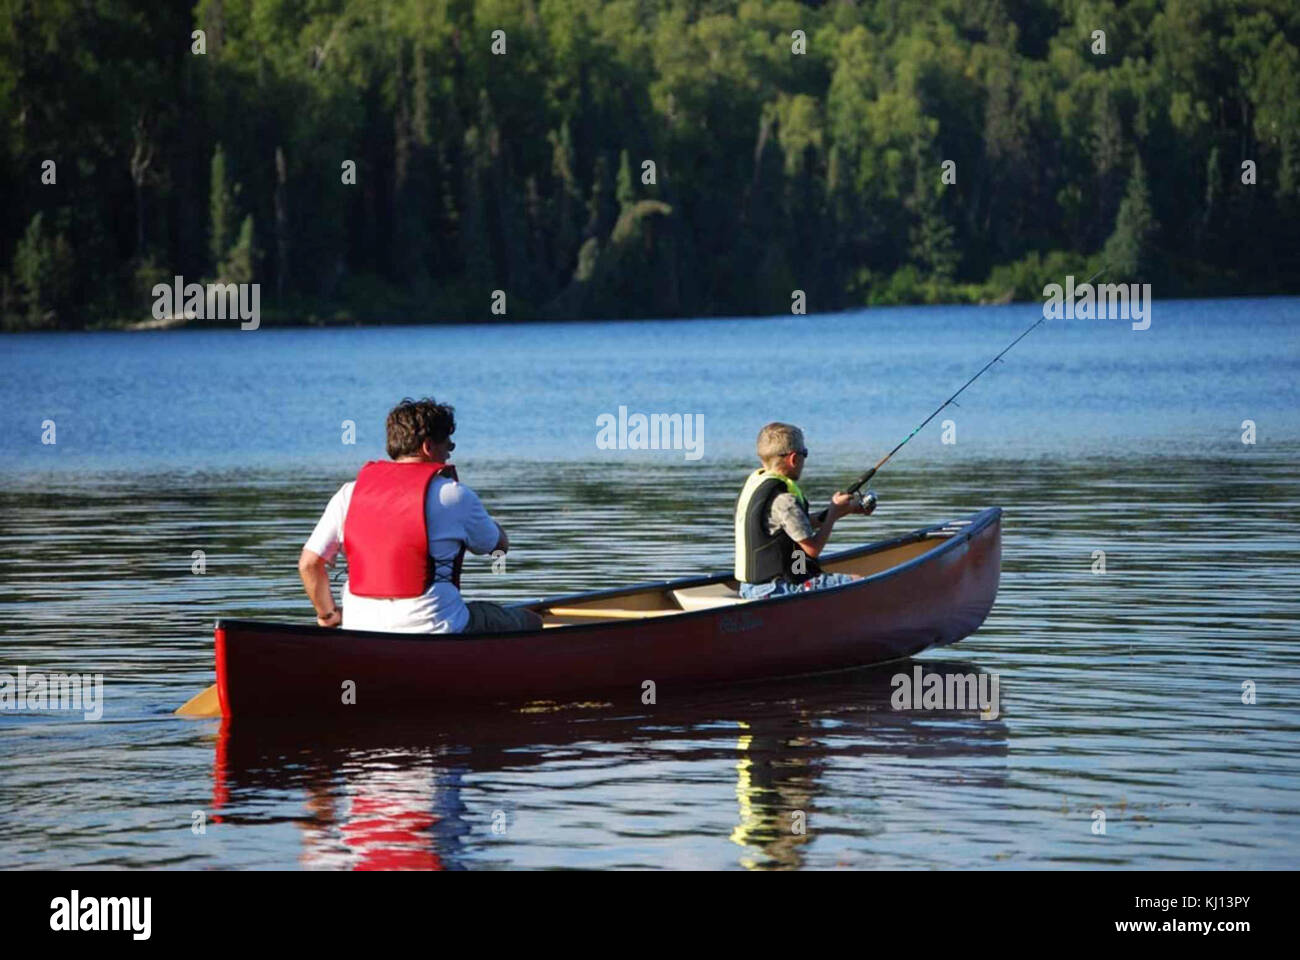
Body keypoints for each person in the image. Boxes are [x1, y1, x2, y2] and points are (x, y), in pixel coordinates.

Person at [298, 397, 543, 634]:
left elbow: (309, 564)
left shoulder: (348, 493)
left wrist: (328, 615)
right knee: (531, 621)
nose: (450, 453)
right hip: (437, 627)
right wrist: (493, 526)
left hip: (360, 629)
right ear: (428, 447)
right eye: (449, 444)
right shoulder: (453, 495)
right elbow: (498, 547)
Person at [733, 422, 877, 600]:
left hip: (750, 588)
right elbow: (812, 550)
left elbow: (797, 525)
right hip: (777, 589)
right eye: (805, 454)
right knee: (859, 582)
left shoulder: (758, 485)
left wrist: (845, 510)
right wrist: (832, 514)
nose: (804, 460)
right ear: (793, 459)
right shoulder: (784, 500)